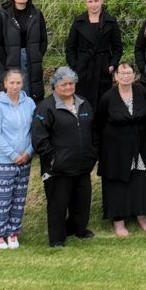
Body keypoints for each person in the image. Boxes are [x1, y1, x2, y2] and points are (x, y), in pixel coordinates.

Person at [32, 66, 97, 246]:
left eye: (71, 83)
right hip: (58, 167)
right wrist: (53, 159)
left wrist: (93, 153)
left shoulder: (83, 103)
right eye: (63, 84)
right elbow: (39, 138)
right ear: (55, 86)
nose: (68, 87)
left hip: (82, 163)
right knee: (58, 204)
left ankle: (79, 229)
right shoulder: (46, 107)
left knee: (81, 201)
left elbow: (93, 130)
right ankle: (57, 238)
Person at [98, 60, 146, 237]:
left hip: (141, 145)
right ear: (116, 76)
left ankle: (141, 215)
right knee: (117, 183)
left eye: (129, 73)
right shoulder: (107, 97)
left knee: (141, 180)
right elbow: (99, 122)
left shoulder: (143, 92)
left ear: (135, 76)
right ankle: (118, 220)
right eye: (122, 73)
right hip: (115, 148)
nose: (125, 76)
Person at [0, 68, 36, 250]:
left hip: (25, 158)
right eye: (12, 83)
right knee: (2, 199)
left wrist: (28, 152)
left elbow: (35, 130)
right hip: (4, 160)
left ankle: (13, 233)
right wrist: (13, 155)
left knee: (19, 199)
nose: (15, 86)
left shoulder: (29, 103)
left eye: (18, 83)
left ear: (22, 84)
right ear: (5, 84)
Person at [63, 0, 123, 100]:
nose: (93, 4)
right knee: (83, 100)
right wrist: (75, 66)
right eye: (90, 1)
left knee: (102, 99)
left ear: (102, 1)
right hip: (83, 68)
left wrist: (112, 65)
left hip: (103, 68)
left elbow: (117, 47)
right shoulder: (78, 22)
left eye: (96, 1)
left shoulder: (110, 21)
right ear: (86, 2)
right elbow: (70, 47)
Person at [0, 0, 48, 91]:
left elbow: (44, 40)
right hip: (11, 59)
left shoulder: (37, 15)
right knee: (12, 92)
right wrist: (7, 61)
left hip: (31, 59)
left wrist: (37, 56)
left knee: (30, 92)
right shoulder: (3, 15)